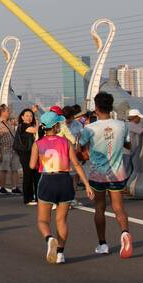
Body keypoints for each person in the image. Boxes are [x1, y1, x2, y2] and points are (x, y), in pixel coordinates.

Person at [77, 91, 134, 258]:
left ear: (96, 108)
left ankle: (103, 244)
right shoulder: (122, 125)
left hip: (98, 175)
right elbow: (128, 145)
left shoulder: (89, 128)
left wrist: (86, 152)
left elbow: (79, 148)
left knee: (100, 209)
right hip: (117, 173)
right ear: (111, 107)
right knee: (119, 208)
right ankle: (124, 233)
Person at [32, 110, 92, 264]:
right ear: (56, 125)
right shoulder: (65, 142)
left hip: (47, 180)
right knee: (61, 220)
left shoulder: (38, 144)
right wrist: (86, 184)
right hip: (65, 180)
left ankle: (49, 238)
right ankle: (60, 254)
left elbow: (32, 165)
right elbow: (77, 164)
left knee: (43, 220)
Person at [0, 104, 20, 194]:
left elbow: (18, 119)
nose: (9, 112)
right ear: (2, 112)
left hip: (14, 150)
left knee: (15, 169)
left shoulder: (11, 122)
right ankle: (2, 187)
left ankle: (15, 187)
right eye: (7, 111)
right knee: (4, 169)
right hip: (4, 149)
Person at [14, 108, 39, 205]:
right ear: (22, 117)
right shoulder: (23, 126)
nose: (29, 118)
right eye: (27, 116)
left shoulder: (28, 125)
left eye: (31, 116)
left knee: (35, 175)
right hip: (25, 154)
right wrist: (36, 117)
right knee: (28, 175)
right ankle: (27, 198)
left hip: (32, 153)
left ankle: (35, 197)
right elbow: (36, 130)